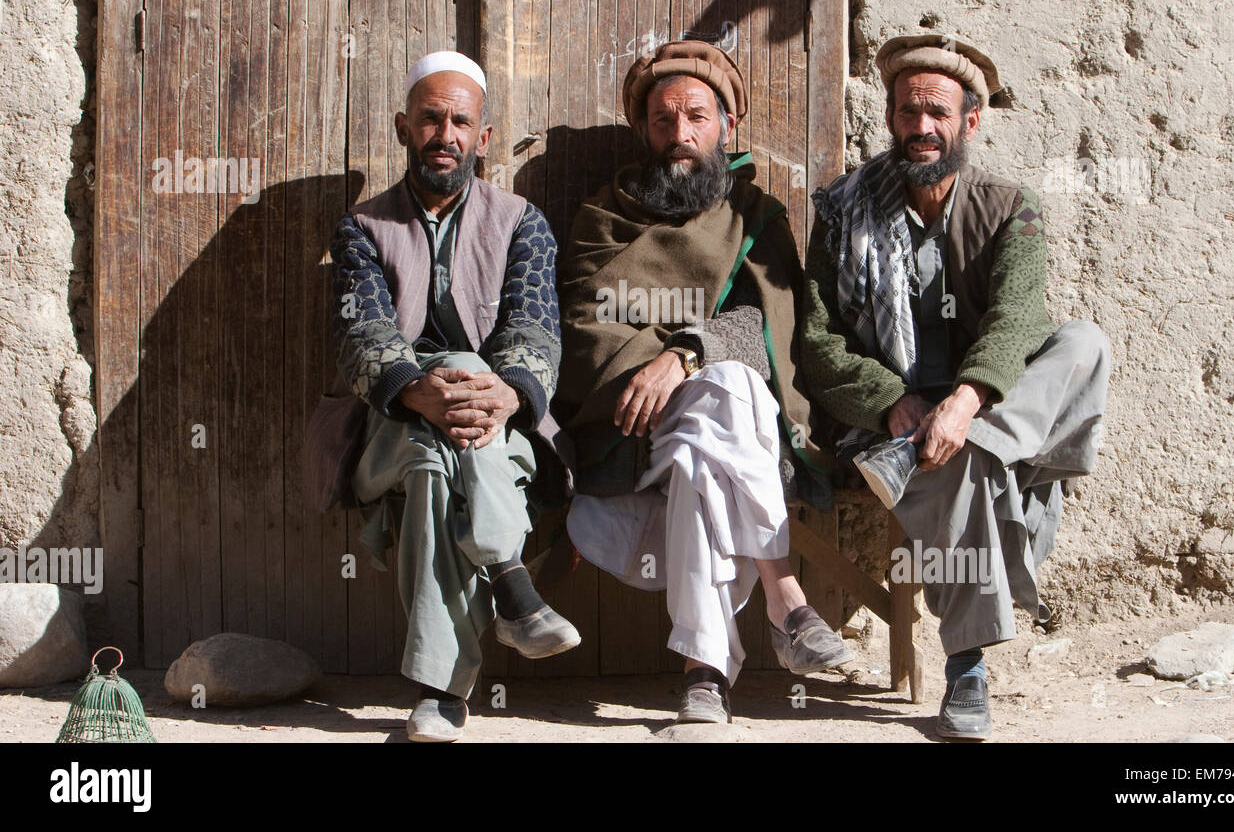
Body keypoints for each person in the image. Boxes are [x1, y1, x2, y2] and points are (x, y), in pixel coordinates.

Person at [801, 33, 1110, 740]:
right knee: (956, 460)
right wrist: (890, 403)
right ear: (889, 118)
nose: (921, 128)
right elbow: (817, 342)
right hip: (897, 422)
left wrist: (966, 404)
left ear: (971, 121)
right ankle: (966, 666)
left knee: (1084, 344)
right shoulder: (843, 213)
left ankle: (967, 443)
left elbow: (1019, 317)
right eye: (909, 112)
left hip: (987, 408)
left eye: (938, 112)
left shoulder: (1010, 208)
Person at [556, 40, 852, 725]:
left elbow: (779, 332)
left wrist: (687, 354)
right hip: (625, 426)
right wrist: (657, 366)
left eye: (695, 117)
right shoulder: (605, 216)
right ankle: (787, 602)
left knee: (714, 422)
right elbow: (583, 326)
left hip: (712, 434)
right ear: (644, 131)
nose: (679, 136)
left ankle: (704, 675)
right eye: (663, 121)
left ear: (727, 125)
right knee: (726, 402)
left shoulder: (754, 217)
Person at [303, 50, 578, 742]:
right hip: (386, 426)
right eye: (431, 119)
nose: (445, 134)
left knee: (433, 462)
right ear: (404, 126)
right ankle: (510, 580)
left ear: (482, 139)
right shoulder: (364, 229)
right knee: (437, 400)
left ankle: (439, 694)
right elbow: (362, 333)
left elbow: (535, 329)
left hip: (494, 427)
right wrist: (416, 391)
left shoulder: (522, 222)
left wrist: (504, 395)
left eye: (461, 122)